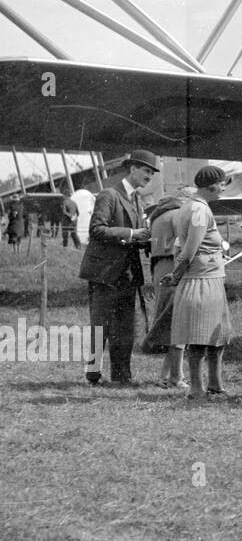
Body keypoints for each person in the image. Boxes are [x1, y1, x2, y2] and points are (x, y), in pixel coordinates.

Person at [78, 150, 158, 386]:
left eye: (152, 172)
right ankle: (92, 376)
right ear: (132, 168)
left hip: (127, 275)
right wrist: (133, 233)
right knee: (99, 328)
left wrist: (147, 240)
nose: (149, 176)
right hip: (104, 275)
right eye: (146, 170)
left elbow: (133, 237)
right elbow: (96, 230)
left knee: (124, 328)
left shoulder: (136, 199)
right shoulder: (109, 194)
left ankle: (122, 377)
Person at [168, 166, 233, 402]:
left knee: (217, 335)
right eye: (223, 183)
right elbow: (189, 249)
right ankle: (197, 388)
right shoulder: (197, 209)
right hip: (201, 281)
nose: (224, 187)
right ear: (211, 185)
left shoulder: (193, 206)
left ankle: (215, 384)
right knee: (199, 337)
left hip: (209, 279)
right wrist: (176, 274)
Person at [143, 185, 195, 387]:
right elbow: (185, 245)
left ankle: (167, 375)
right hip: (173, 268)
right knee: (178, 323)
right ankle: (176, 376)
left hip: (160, 268)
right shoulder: (178, 215)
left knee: (169, 321)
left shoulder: (160, 215)